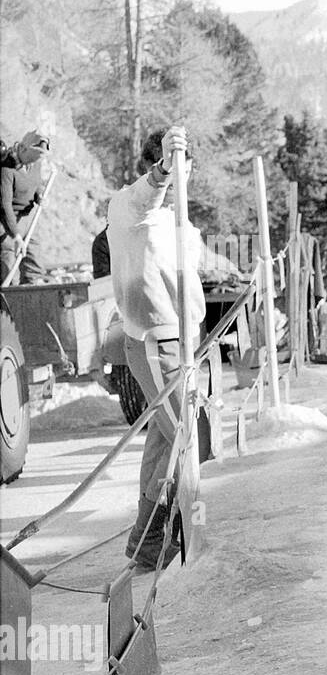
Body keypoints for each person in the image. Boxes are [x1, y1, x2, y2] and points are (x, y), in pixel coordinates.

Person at [107, 125, 206, 571]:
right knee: (186, 437)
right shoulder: (130, 207)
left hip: (182, 341)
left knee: (165, 444)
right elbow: (147, 198)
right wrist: (166, 169)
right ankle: (181, 536)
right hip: (154, 343)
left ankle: (147, 547)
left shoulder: (179, 221)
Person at [1, 130, 50, 284]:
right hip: (6, 221)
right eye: (32, 158)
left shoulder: (35, 162)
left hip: (27, 218)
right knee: (9, 266)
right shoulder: (6, 169)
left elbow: (35, 183)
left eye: (38, 159)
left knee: (34, 263)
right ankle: (8, 302)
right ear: (22, 149)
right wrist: (15, 236)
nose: (34, 163)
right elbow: (5, 205)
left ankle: (32, 295)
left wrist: (39, 195)